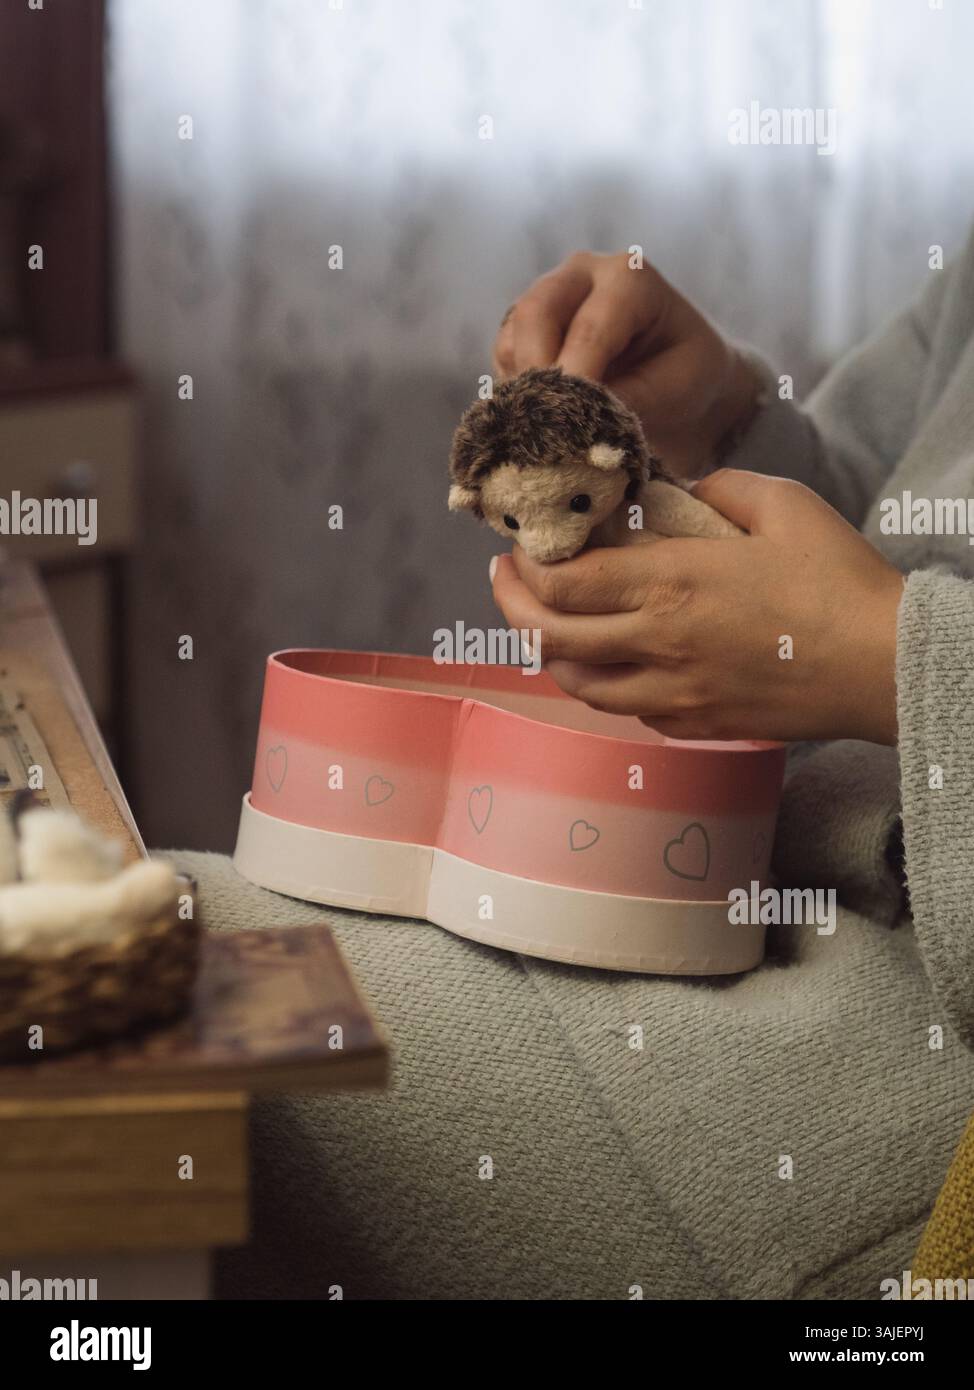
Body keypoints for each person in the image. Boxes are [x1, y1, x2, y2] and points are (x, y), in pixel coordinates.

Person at [215, 235, 974, 1302]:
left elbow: (888, 608)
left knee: (170, 965)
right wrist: (719, 424)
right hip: (764, 879)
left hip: (903, 1034)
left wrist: (888, 656)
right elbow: (893, 526)